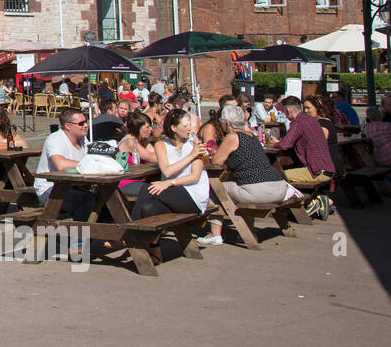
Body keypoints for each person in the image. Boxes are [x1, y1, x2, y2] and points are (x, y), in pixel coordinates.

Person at [200, 104, 301, 245]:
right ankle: (250, 230)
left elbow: (216, 162)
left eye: (222, 121)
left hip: (260, 191)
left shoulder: (232, 137)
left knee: (214, 188)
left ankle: (215, 234)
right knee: (242, 186)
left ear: (227, 123)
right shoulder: (251, 136)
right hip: (279, 188)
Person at [132, 108, 209, 220]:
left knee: (146, 189)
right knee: (148, 208)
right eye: (185, 126)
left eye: (190, 125)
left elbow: (194, 177)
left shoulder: (195, 145)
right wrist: (191, 156)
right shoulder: (161, 145)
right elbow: (167, 171)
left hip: (193, 193)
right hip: (171, 191)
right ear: (174, 128)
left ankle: (127, 235)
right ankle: (136, 235)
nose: (189, 129)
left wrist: (169, 183)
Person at [33, 109, 92, 220]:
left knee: (103, 200)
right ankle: (79, 236)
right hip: (50, 189)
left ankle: (97, 234)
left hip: (74, 186)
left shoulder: (83, 139)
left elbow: (92, 157)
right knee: (86, 200)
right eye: (81, 123)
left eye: (86, 121)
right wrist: (87, 164)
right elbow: (60, 164)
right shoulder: (55, 139)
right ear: (68, 126)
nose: (86, 125)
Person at [274, 96, 336, 185]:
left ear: (288, 110)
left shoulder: (298, 122)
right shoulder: (311, 119)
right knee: (285, 171)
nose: (285, 115)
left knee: (276, 176)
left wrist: (275, 144)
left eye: (285, 112)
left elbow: (285, 145)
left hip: (316, 171)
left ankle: (301, 199)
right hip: (326, 168)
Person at [117, 111, 159, 200]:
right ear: (138, 128)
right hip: (126, 183)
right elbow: (154, 158)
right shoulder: (130, 142)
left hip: (142, 180)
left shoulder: (142, 140)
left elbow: (157, 155)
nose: (151, 129)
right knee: (158, 191)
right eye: (147, 127)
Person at [304, 94, 344, 186]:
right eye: (304, 108)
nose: (305, 111)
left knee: (286, 175)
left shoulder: (322, 124)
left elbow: (315, 146)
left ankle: (319, 199)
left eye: (308, 108)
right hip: (330, 166)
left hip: (328, 170)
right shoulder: (322, 122)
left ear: (318, 108)